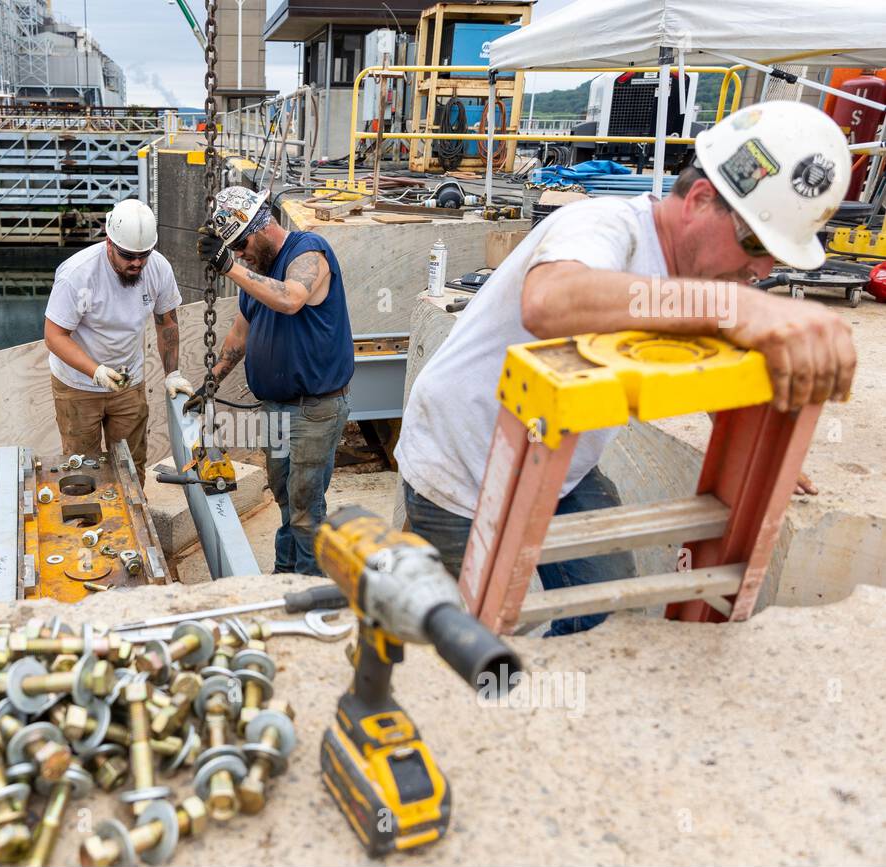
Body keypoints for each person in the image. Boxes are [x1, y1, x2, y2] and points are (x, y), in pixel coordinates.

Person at [396, 100, 857, 634]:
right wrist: (737, 310)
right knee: (494, 646)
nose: (761, 268)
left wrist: (754, 446)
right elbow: (549, 302)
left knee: (608, 618)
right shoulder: (604, 224)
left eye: (775, 255)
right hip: (462, 468)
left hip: (557, 462)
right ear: (702, 199)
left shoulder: (701, 280)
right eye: (756, 242)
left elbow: (690, 331)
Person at [196, 186, 354, 575]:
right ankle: (285, 573)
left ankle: (310, 586)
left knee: (305, 505)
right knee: (285, 496)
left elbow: (291, 299)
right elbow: (239, 333)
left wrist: (230, 268)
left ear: (262, 228)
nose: (240, 254)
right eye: (233, 250)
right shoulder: (259, 274)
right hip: (277, 409)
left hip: (313, 409)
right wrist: (211, 382)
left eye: (242, 244)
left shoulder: (309, 252)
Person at [44, 198, 193, 476]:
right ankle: (89, 519)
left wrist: (172, 373)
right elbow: (54, 336)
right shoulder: (78, 275)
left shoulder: (158, 268)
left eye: (143, 255)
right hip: (78, 385)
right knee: (82, 468)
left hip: (128, 381)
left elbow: (167, 323)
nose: (137, 263)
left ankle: (136, 516)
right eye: (128, 256)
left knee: (131, 466)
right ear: (109, 243)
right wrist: (96, 371)